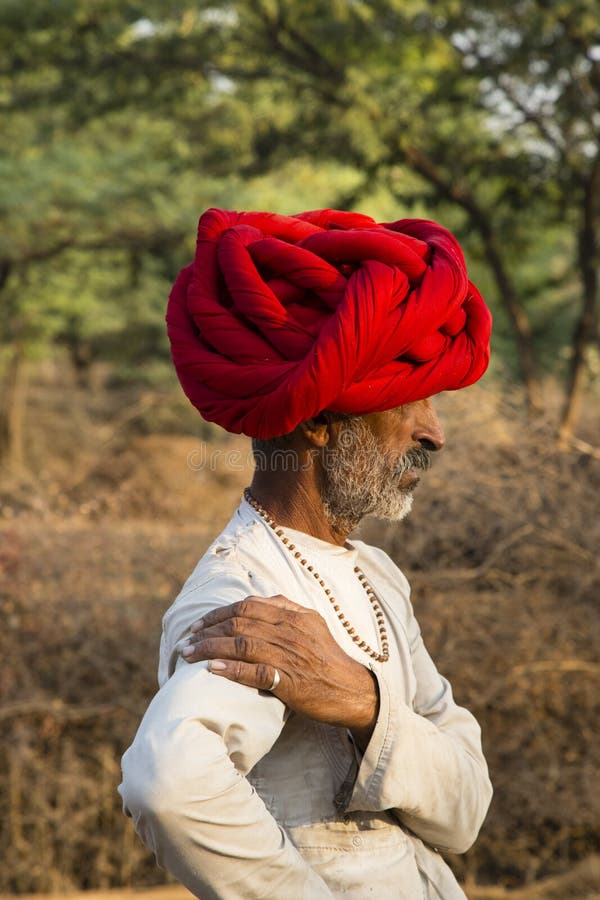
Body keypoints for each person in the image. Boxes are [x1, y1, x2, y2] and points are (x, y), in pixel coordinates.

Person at [119, 208, 494, 899]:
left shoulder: (377, 576)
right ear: (319, 421)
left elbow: (466, 808)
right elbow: (167, 783)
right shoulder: (243, 593)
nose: (435, 434)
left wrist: (365, 705)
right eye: (410, 402)